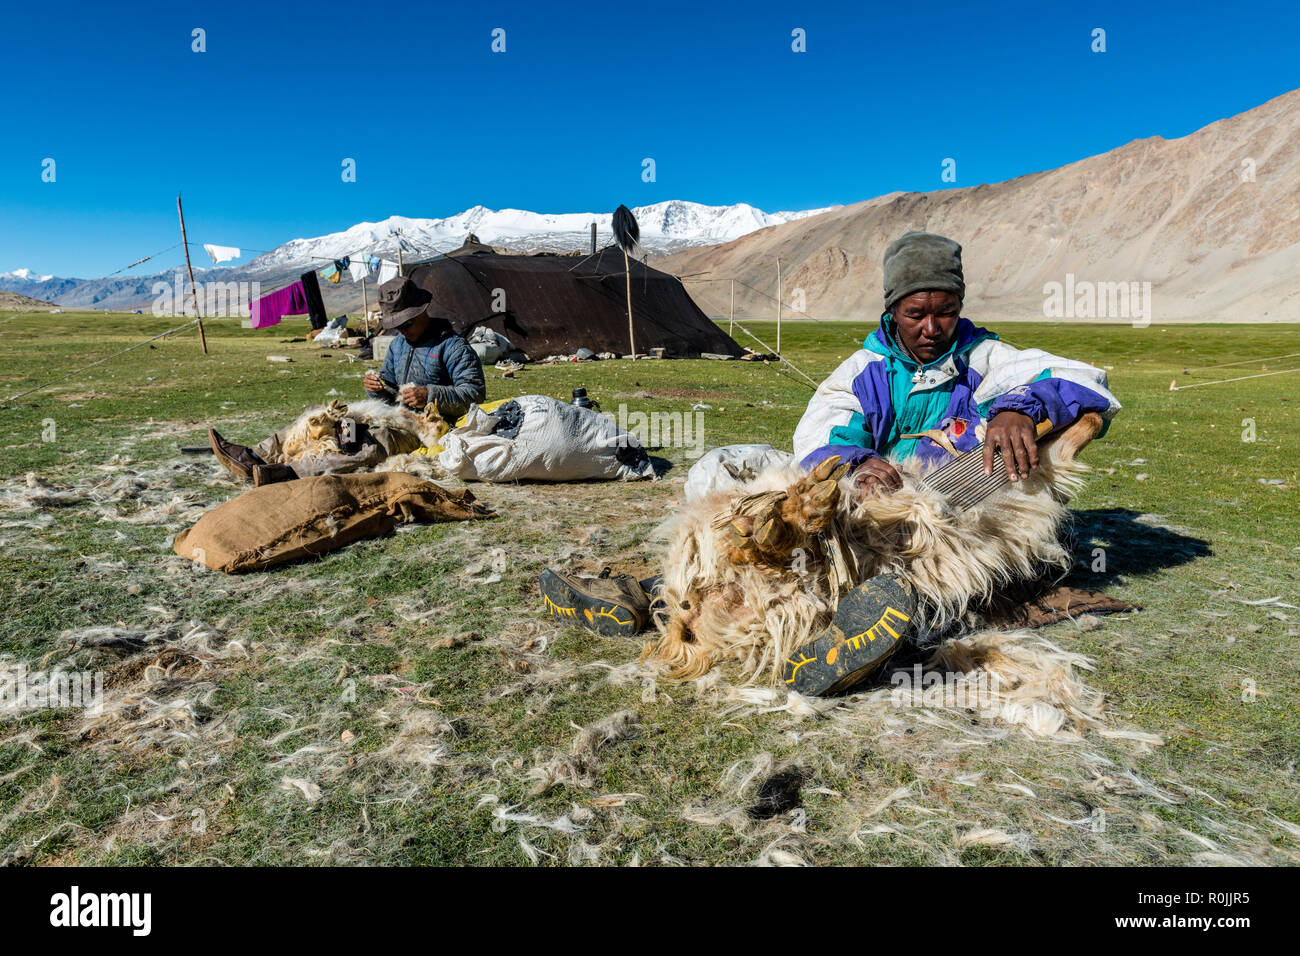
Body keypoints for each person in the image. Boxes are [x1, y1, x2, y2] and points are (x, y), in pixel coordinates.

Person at [780, 230, 1121, 692]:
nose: (932, 328)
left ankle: (875, 627)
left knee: (974, 565)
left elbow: (1083, 379)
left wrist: (1021, 406)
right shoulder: (863, 371)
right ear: (892, 311)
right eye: (915, 314)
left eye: (946, 313)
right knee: (733, 474)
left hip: (959, 520)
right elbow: (820, 433)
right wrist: (856, 461)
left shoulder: (985, 356)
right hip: (878, 518)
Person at [209, 276, 486, 485]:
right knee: (322, 419)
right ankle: (254, 456)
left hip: (418, 429)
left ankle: (285, 472)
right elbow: (389, 388)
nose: (402, 330)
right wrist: (375, 387)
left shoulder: (452, 346)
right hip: (389, 413)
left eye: (407, 323)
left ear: (422, 311)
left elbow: (475, 393)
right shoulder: (398, 346)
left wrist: (431, 394)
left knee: (371, 444)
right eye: (397, 325)